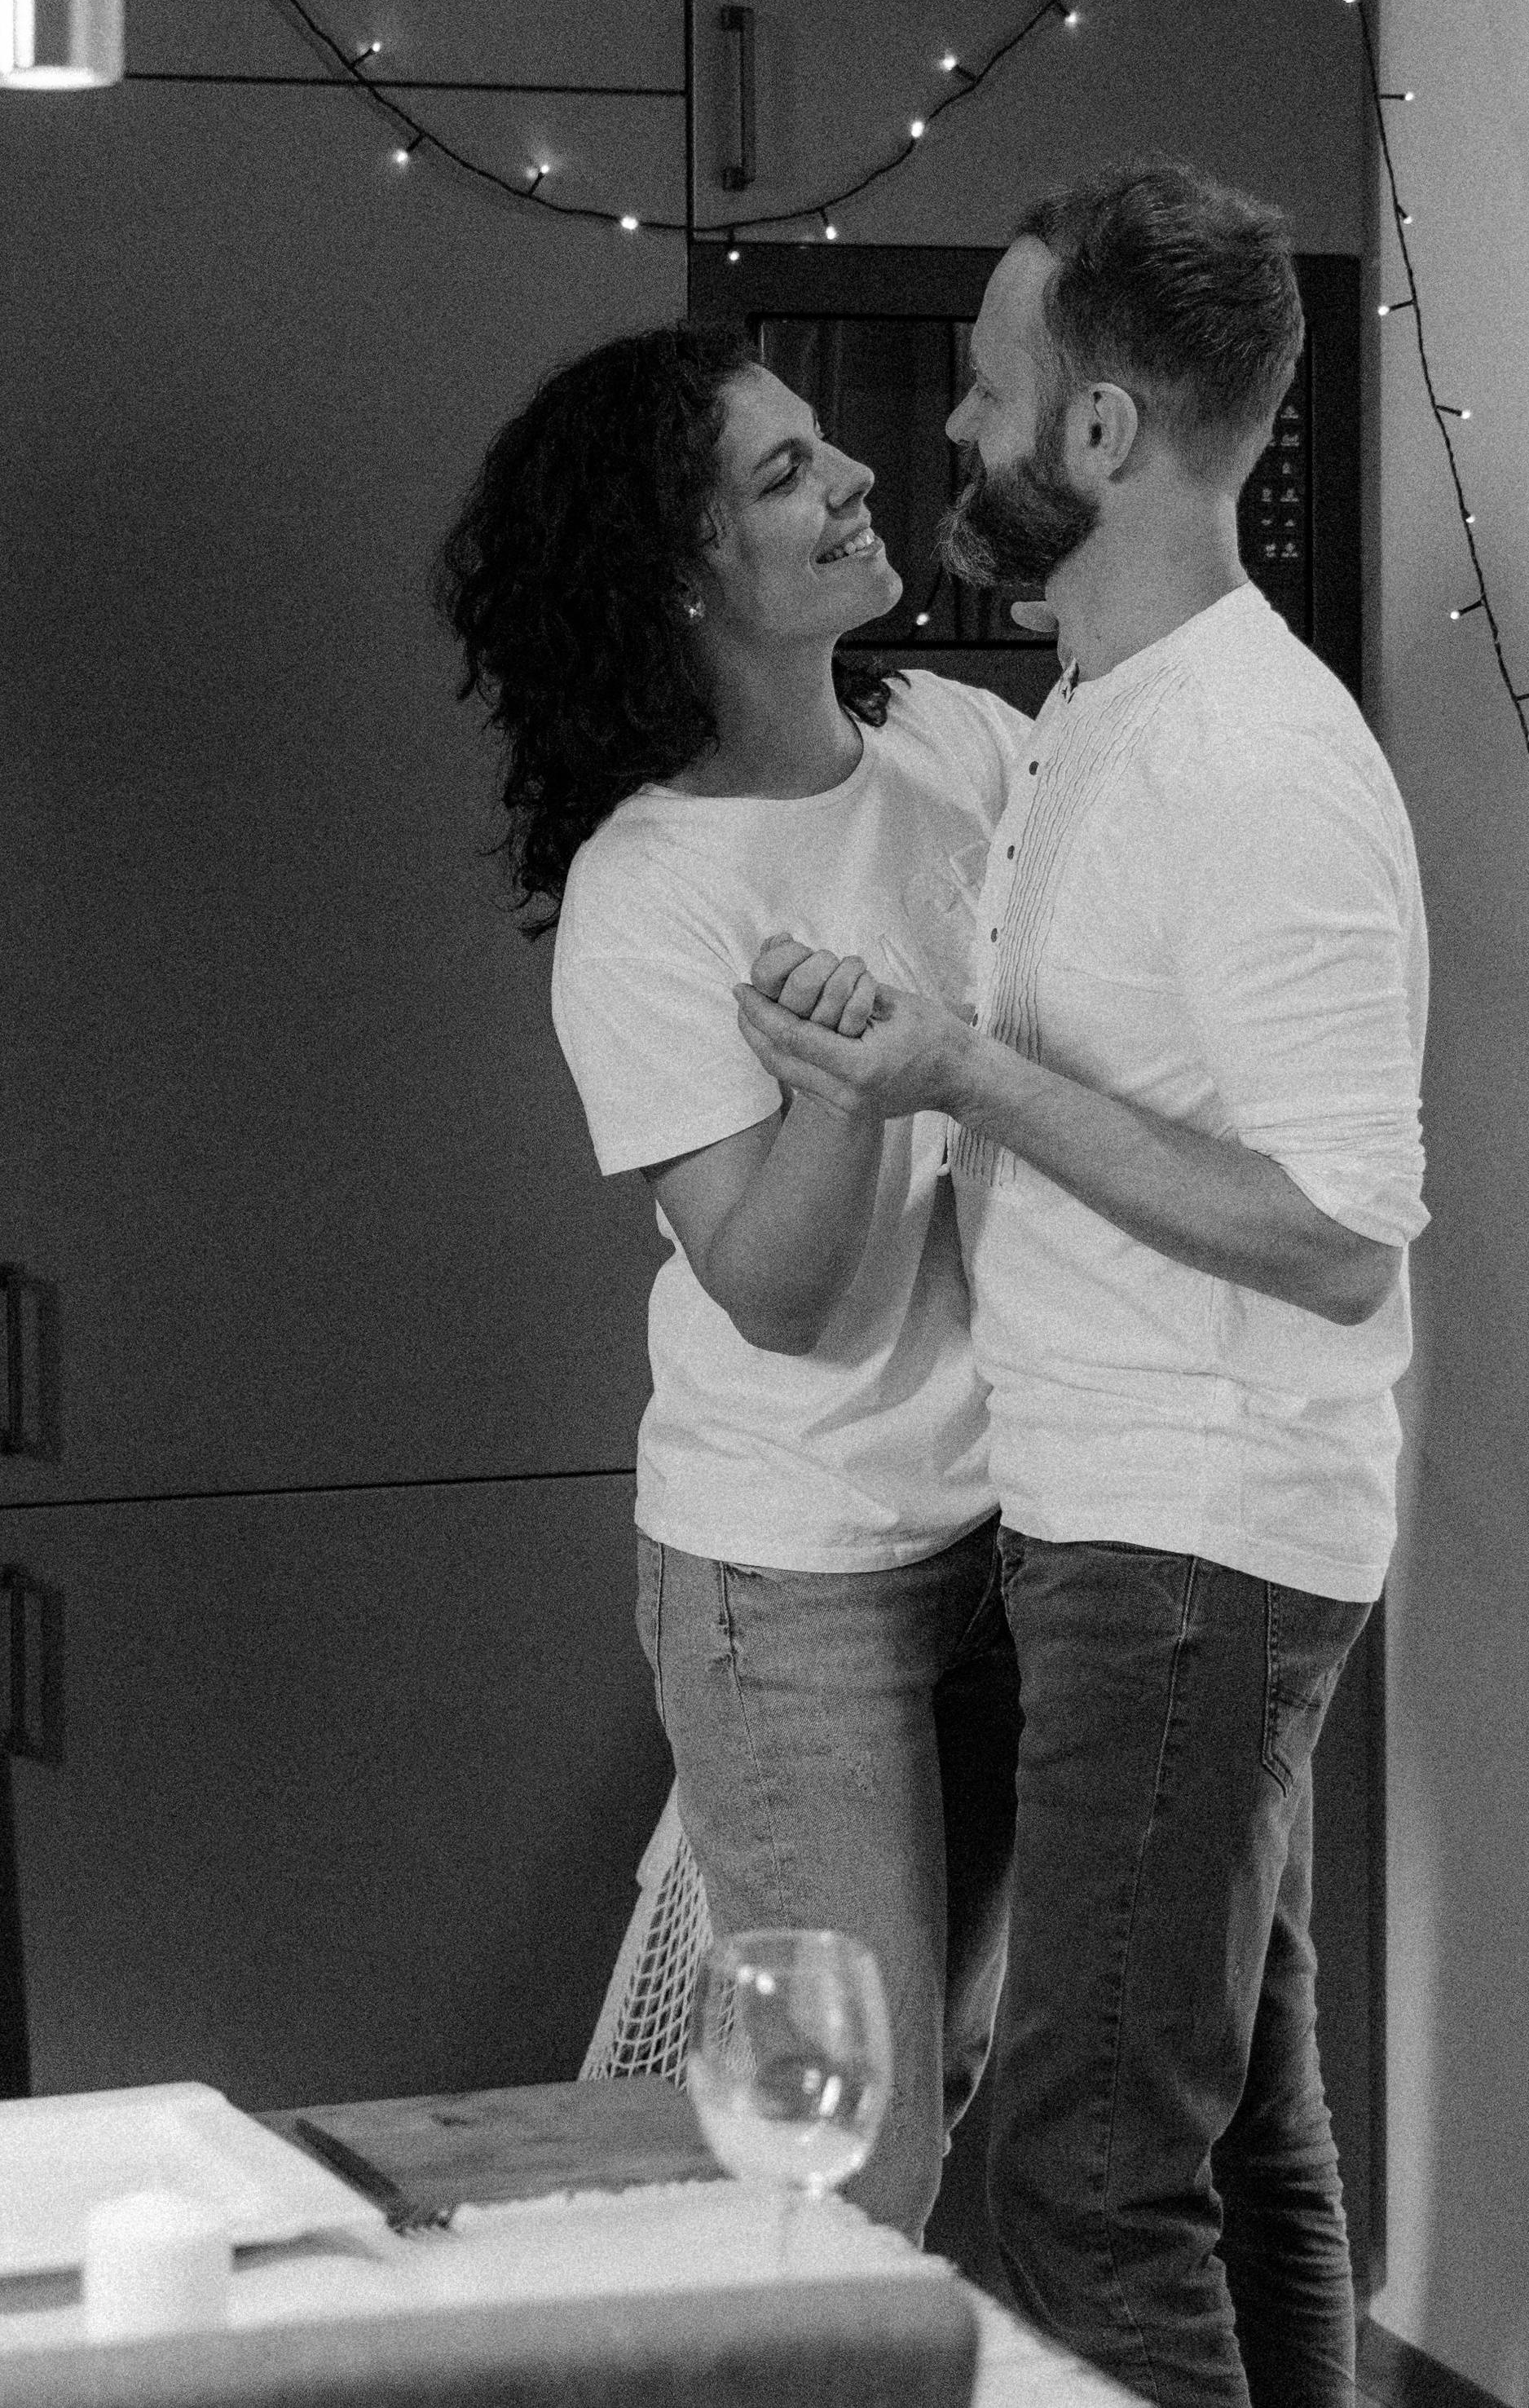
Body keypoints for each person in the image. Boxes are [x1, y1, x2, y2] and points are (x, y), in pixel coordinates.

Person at [737, 163, 1427, 2408]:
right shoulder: (1101, 710)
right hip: (1135, 1517)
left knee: (1082, 2171)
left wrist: (959, 1069)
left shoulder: (1254, 758)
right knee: (1232, 2138)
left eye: (987, 380)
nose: (948, 423)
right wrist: (923, 1052)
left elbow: (1337, 1228)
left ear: (1103, 430)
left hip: (1190, 1534)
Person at [434, 320, 1029, 2242]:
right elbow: (775, 1294)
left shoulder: (960, 744)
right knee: (856, 2140)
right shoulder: (653, 889)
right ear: (685, 574)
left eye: (820, 448)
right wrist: (840, 1090)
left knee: (951, 2077)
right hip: (795, 1570)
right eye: (784, 474)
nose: (853, 478)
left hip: (1013, 1527)